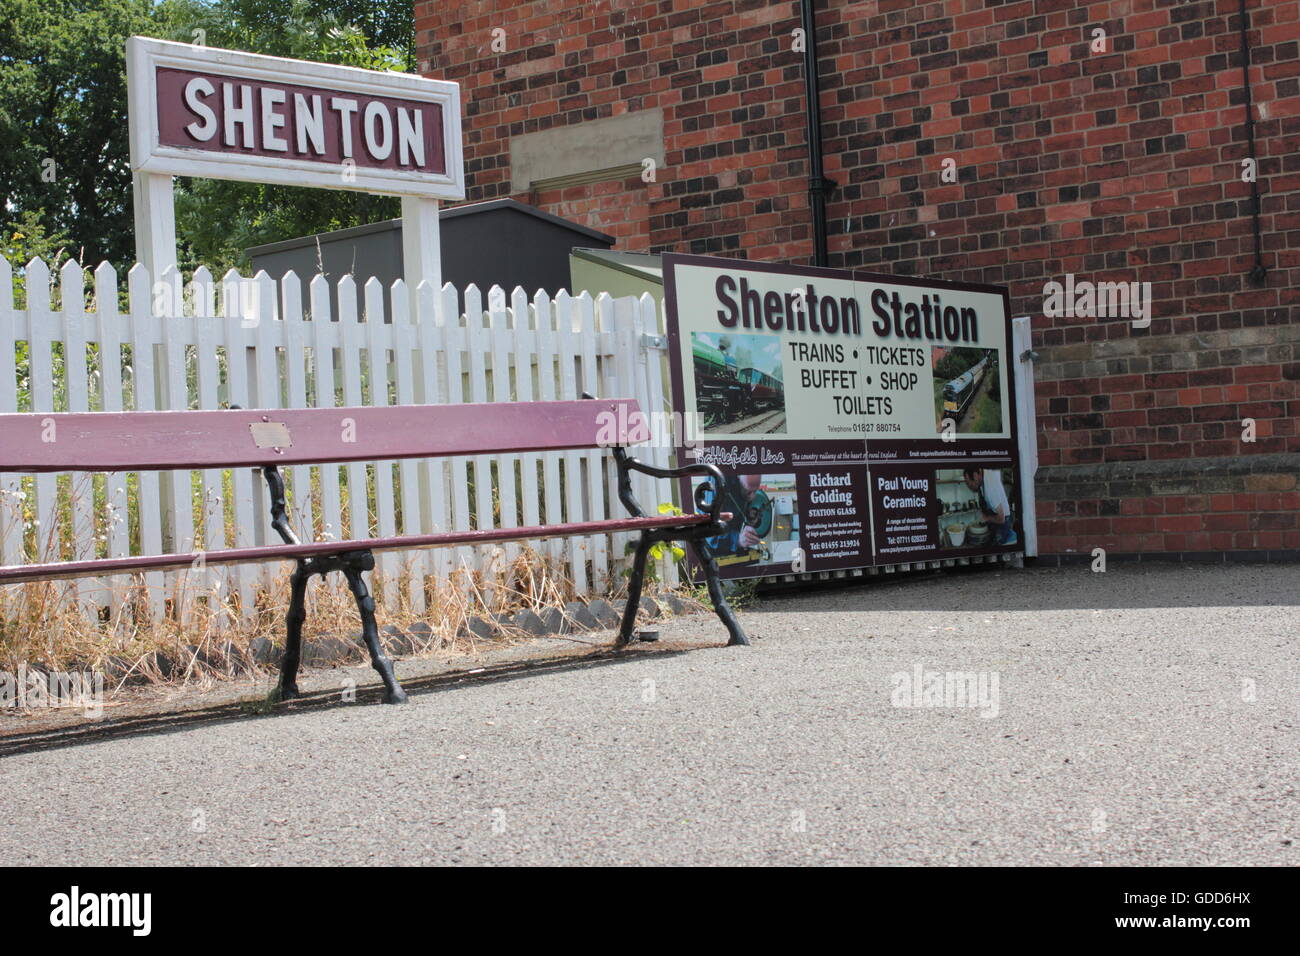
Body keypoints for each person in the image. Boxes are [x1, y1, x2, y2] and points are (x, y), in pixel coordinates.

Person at [702, 473, 766, 556]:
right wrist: (738, 540)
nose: (753, 497)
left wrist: (750, 515)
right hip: (714, 549)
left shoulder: (746, 479)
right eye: (749, 492)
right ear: (738, 476)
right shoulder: (716, 481)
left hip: (737, 547)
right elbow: (710, 533)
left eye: (756, 490)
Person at [962, 467, 1017, 546]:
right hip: (995, 515)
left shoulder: (991, 488)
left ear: (975, 475)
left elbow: (1001, 519)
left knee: (994, 547)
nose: (968, 486)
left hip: (1003, 520)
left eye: (968, 483)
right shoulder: (984, 475)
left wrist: (987, 518)